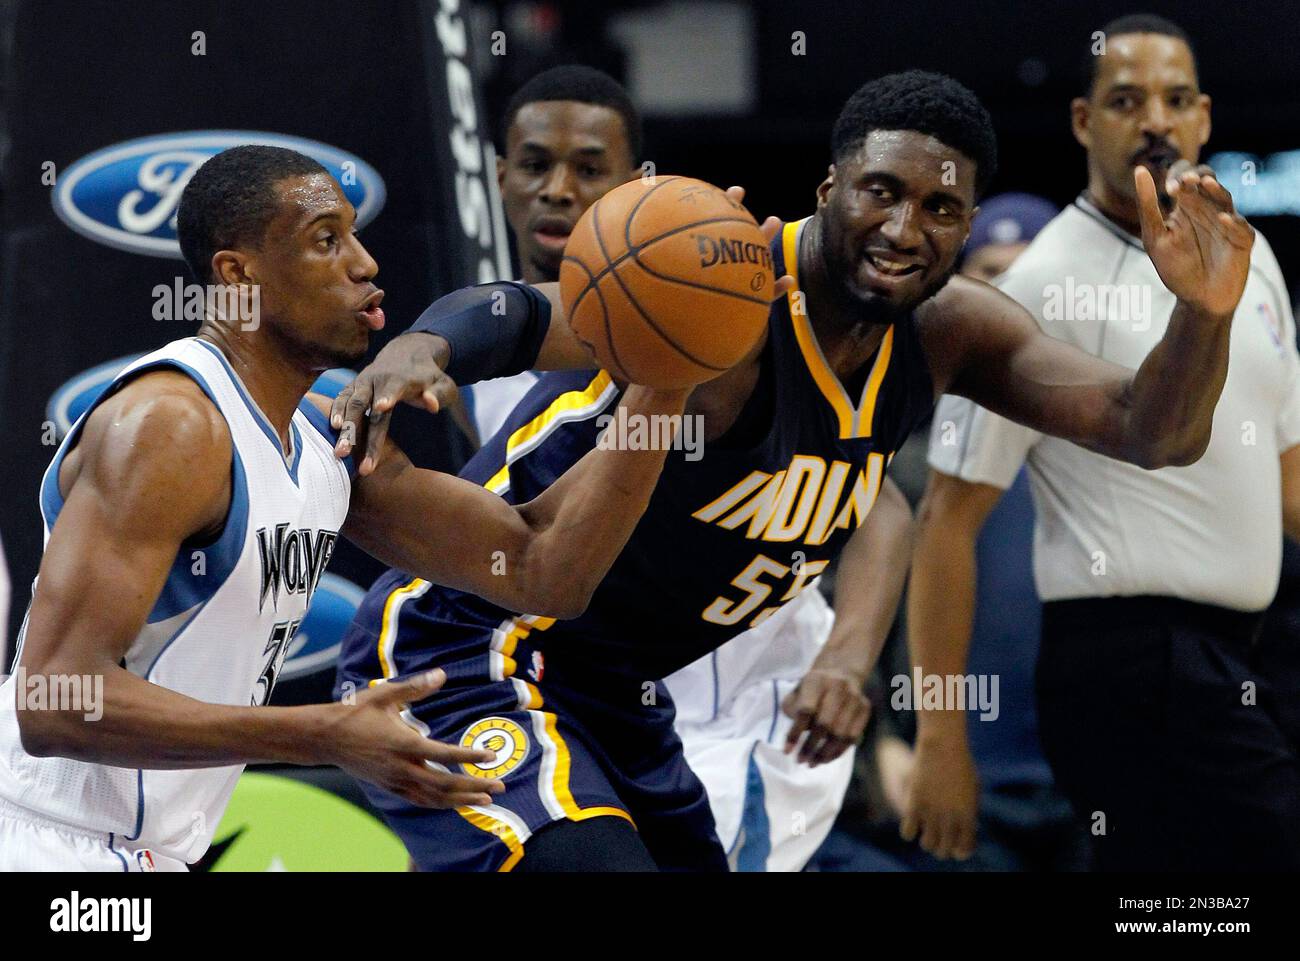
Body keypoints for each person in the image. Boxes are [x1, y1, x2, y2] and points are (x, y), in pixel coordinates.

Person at [332, 68, 1253, 871]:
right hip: (470, 643)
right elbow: (536, 312)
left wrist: (1203, 317)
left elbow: (1150, 429)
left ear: (967, 224)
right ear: (829, 187)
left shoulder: (951, 332)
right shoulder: (729, 289)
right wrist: (426, 344)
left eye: (938, 209)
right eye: (881, 192)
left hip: (611, 690)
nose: (903, 228)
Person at [0, 145, 693, 871]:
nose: (365, 264)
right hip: (42, 838)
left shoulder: (322, 439)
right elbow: (51, 701)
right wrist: (323, 732)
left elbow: (540, 567)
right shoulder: (171, 426)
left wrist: (665, 378)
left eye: (355, 235)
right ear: (239, 277)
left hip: (146, 853)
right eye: (326, 240)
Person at [470, 63, 902, 871]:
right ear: (500, 176)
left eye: (589, 169)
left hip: (750, 706)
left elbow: (883, 509)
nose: (559, 190)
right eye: (535, 165)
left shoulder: (717, 314)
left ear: (641, 185)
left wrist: (848, 659)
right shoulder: (481, 356)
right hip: (593, 702)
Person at [907, 14, 1300, 870]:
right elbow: (943, 518)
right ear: (1086, 123)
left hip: (1253, 650)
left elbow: (1290, 477)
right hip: (1133, 659)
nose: (1153, 119)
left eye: (1172, 100)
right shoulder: (1035, 285)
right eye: (1126, 100)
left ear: (1202, 118)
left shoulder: (1250, 256)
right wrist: (942, 736)